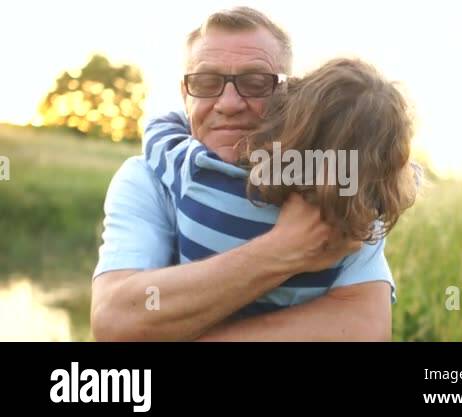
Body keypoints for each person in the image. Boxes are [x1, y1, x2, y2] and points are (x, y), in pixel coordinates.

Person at [91, 7, 413, 341]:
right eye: (206, 82)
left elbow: (363, 329)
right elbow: (115, 321)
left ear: (289, 96)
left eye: (255, 83)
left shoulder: (337, 182)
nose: (228, 103)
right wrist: (283, 250)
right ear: (185, 94)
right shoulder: (148, 178)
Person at [143, 58, 420, 320]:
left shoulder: (205, 178)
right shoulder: (358, 227)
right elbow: (401, 178)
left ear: (290, 116)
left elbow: (158, 135)